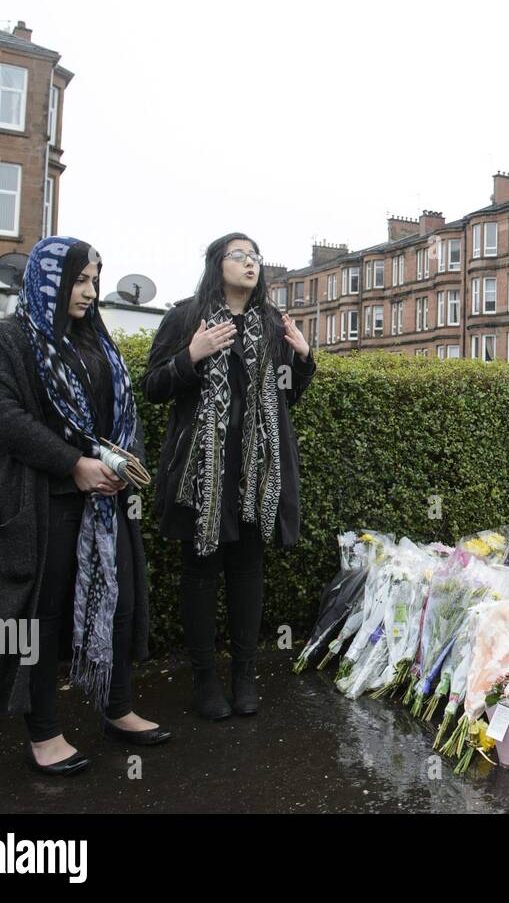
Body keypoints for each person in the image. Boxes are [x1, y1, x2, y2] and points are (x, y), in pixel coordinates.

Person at [0, 237, 169, 777]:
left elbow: (123, 416)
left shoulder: (96, 339)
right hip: (40, 504)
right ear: (47, 278)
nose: (90, 291)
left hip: (104, 504)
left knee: (119, 605)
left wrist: (124, 468)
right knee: (42, 618)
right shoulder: (1, 341)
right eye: (79, 280)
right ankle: (44, 731)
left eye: (95, 280)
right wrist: (72, 465)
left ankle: (117, 707)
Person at [143, 233, 316, 720]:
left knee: (247, 572)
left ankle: (244, 677)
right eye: (239, 255)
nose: (250, 263)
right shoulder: (185, 317)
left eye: (255, 256)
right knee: (199, 573)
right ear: (217, 263)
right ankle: (204, 682)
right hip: (202, 473)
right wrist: (191, 355)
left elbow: (288, 398)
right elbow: (153, 386)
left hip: (257, 474)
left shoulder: (271, 323)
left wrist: (303, 359)